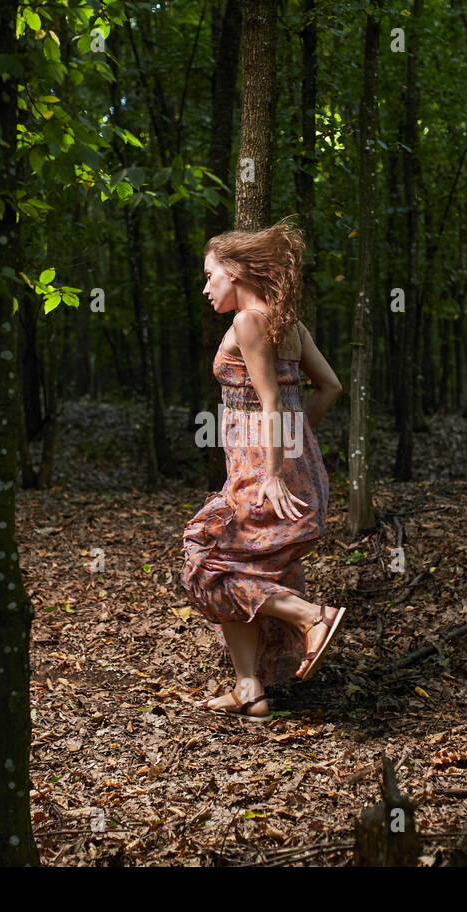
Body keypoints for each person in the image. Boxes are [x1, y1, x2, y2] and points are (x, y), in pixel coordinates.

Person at [181, 217, 346, 719]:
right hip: (291, 465)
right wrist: (297, 446)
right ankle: (250, 688)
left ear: (234, 271)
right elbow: (331, 388)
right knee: (243, 566)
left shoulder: (249, 322)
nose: (206, 285)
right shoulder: (288, 325)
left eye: (211, 274)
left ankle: (310, 615)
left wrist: (273, 472)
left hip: (264, 472)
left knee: (205, 559)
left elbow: (271, 401)